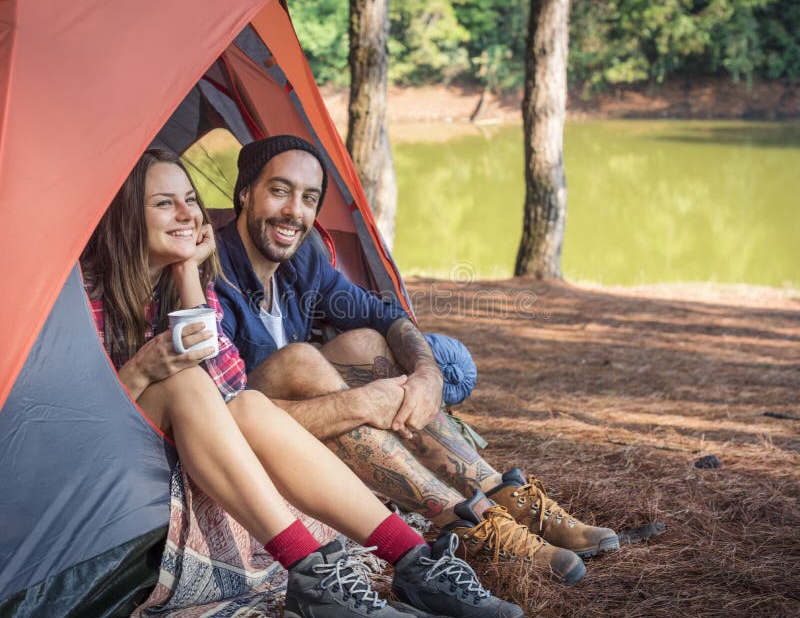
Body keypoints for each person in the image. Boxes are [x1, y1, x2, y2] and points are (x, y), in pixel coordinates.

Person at [80, 148, 523, 618]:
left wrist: (189, 271)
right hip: (114, 456)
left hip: (194, 444)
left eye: (191, 199)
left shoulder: (190, 281)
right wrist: (143, 372)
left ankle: (413, 558)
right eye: (165, 203)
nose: (189, 214)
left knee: (248, 404)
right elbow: (75, 424)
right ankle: (310, 568)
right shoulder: (85, 294)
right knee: (188, 383)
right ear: (129, 215)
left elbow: (229, 388)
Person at [214, 135, 620, 587]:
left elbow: (386, 316)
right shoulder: (209, 272)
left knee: (364, 341)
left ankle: (501, 494)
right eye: (279, 190)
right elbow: (223, 416)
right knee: (298, 362)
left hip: (305, 415)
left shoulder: (301, 259)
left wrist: (427, 377)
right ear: (245, 192)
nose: (295, 211)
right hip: (247, 430)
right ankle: (469, 525)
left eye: (309, 198)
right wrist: (362, 404)